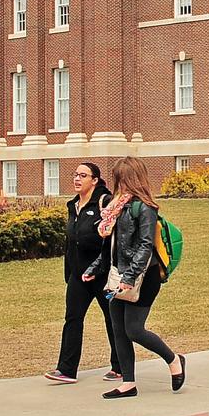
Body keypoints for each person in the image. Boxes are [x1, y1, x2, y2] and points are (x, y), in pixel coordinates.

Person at [83, 156, 185, 399]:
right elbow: (111, 247)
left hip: (143, 277)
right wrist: (95, 268)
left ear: (131, 179)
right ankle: (128, 383)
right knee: (118, 329)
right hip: (119, 274)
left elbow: (145, 246)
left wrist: (129, 277)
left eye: (121, 178)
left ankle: (174, 360)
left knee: (134, 330)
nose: (117, 183)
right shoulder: (115, 207)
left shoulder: (145, 208)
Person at [44, 163, 123, 384]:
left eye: (83, 175)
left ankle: (120, 366)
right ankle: (66, 370)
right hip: (78, 275)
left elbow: (113, 237)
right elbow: (70, 242)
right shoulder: (74, 205)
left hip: (102, 274)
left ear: (95, 180)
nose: (77, 179)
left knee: (112, 319)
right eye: (75, 175)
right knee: (72, 318)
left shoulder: (105, 202)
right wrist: (69, 272)